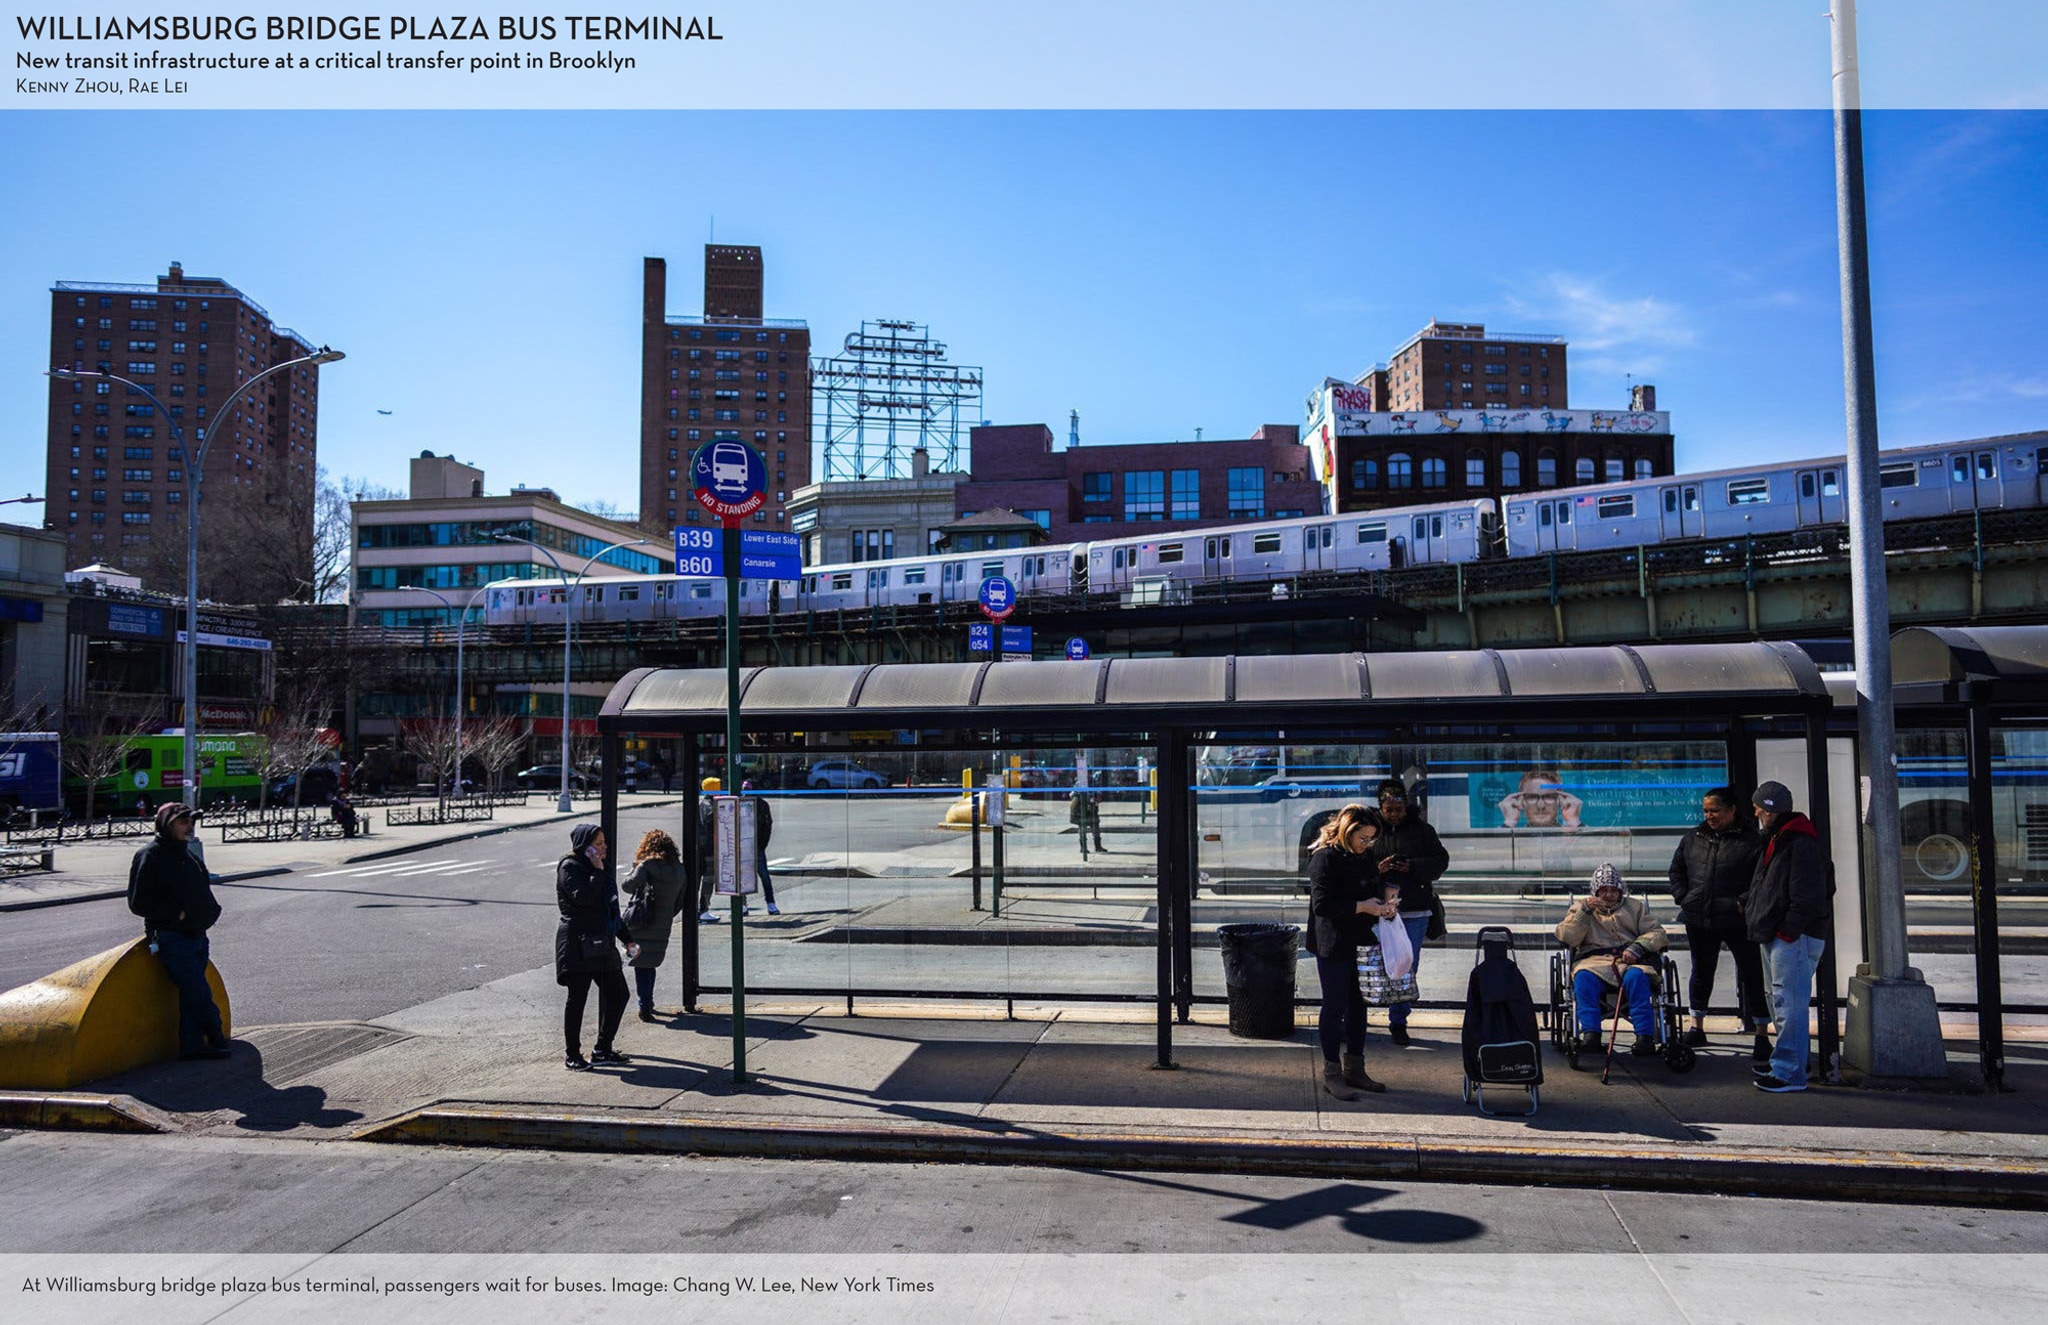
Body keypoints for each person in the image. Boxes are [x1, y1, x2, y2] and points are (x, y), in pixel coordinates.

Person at [1667, 785, 1767, 1061]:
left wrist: (1742, 902)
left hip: (1738, 920)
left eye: (1715, 811)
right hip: (1699, 917)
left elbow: (1762, 877)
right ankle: (1697, 1025)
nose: (1710, 816)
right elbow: (1676, 871)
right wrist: (1683, 898)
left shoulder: (1752, 841)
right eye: (1706, 811)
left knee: (1752, 973)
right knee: (1701, 971)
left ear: (1732, 810)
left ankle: (1761, 1032)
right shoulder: (1693, 838)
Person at [1746, 781, 1832, 1093]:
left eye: (1759, 807)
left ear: (1770, 810)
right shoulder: (1781, 838)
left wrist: (1789, 929)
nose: (1754, 811)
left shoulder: (1798, 842)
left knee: (1788, 1002)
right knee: (1780, 1000)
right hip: (1778, 933)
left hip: (1791, 937)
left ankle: (1788, 1072)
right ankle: (1791, 1063)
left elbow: (1808, 895)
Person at [125, 802, 229, 1061]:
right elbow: (138, 902)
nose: (189, 826)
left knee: (191, 993)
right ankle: (215, 1033)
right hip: (172, 936)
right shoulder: (150, 855)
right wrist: (174, 914)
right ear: (166, 824)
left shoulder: (187, 854)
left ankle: (192, 1045)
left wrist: (210, 911)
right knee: (198, 990)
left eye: (191, 821)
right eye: (183, 822)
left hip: (196, 934)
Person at [1306, 804, 1394, 1098]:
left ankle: (1355, 1069)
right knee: (1334, 1006)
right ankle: (1332, 1072)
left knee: (1359, 1005)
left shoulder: (1366, 856)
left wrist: (1385, 902)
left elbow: (1371, 886)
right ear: (1347, 831)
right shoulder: (1324, 858)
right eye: (1363, 838)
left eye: (1371, 839)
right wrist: (1363, 907)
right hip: (1333, 943)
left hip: (1362, 939)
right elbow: (1322, 905)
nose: (1367, 845)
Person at [1364, 779, 1449, 1047]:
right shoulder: (1371, 831)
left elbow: (1440, 862)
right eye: (1388, 810)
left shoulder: (1423, 831)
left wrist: (1410, 867)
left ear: (1406, 807)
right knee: (1371, 964)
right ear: (1380, 808)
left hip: (1414, 910)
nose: (1394, 815)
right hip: (1376, 909)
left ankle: (1398, 1021)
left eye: (1398, 809)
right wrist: (1379, 867)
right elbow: (1357, 864)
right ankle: (1359, 1017)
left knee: (1405, 967)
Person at [1555, 863, 1671, 1059]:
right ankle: (1591, 1034)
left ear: (1620, 891)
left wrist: (1639, 946)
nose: (1608, 895)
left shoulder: (1635, 907)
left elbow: (1658, 933)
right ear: (1595, 891)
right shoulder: (1581, 908)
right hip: (1593, 961)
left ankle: (1645, 1037)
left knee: (1637, 977)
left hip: (1630, 961)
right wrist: (1585, 913)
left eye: (1613, 890)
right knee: (1583, 977)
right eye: (1603, 890)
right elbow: (1568, 938)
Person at [556, 823, 637, 1069]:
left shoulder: (601, 869)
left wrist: (628, 939)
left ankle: (603, 1048)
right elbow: (583, 898)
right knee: (577, 998)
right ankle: (573, 1055)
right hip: (578, 943)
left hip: (602, 943)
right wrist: (598, 872)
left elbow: (611, 909)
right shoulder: (570, 866)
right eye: (598, 844)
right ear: (584, 845)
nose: (604, 848)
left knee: (619, 994)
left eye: (604, 843)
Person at [622, 829, 689, 1021]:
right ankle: (647, 1002)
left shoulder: (647, 865)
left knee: (641, 963)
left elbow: (627, 886)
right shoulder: (679, 869)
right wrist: (666, 914)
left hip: (640, 922)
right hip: (663, 922)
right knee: (649, 964)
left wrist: (635, 867)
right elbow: (680, 901)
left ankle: (645, 1005)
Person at [741, 780, 780, 916]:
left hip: (754, 846)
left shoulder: (761, 804)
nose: (746, 792)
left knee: (761, 875)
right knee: (748, 875)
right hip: (748, 846)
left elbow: (767, 825)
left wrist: (762, 844)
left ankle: (769, 903)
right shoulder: (743, 803)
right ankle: (747, 904)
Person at [1498, 770, 1583, 830]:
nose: (1541, 806)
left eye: (1549, 797)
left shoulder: (1571, 838)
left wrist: (1575, 821)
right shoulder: (1515, 839)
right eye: (1532, 797)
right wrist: (1509, 822)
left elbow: (1594, 851)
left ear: (1560, 800)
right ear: (1521, 801)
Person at [1069, 787, 1105, 859]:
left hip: (1090, 815)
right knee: (1083, 831)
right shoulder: (1082, 795)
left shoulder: (1093, 794)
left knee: (1096, 831)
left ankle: (1098, 846)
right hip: (1082, 815)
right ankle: (1083, 848)